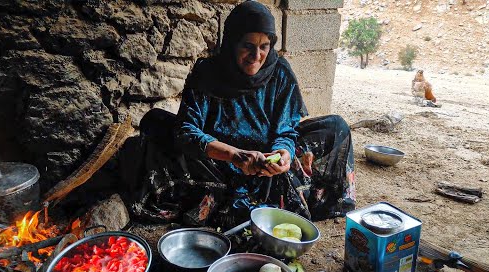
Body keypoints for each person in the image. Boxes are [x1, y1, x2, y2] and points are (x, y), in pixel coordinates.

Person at [117, 1, 356, 228]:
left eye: (264, 46)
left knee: (336, 127)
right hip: (217, 158)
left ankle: (265, 183)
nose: (256, 56)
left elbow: (286, 129)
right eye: (248, 46)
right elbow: (187, 131)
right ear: (231, 42)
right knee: (155, 123)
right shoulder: (207, 73)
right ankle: (232, 189)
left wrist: (283, 153)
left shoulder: (280, 72)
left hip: (264, 159)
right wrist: (233, 155)